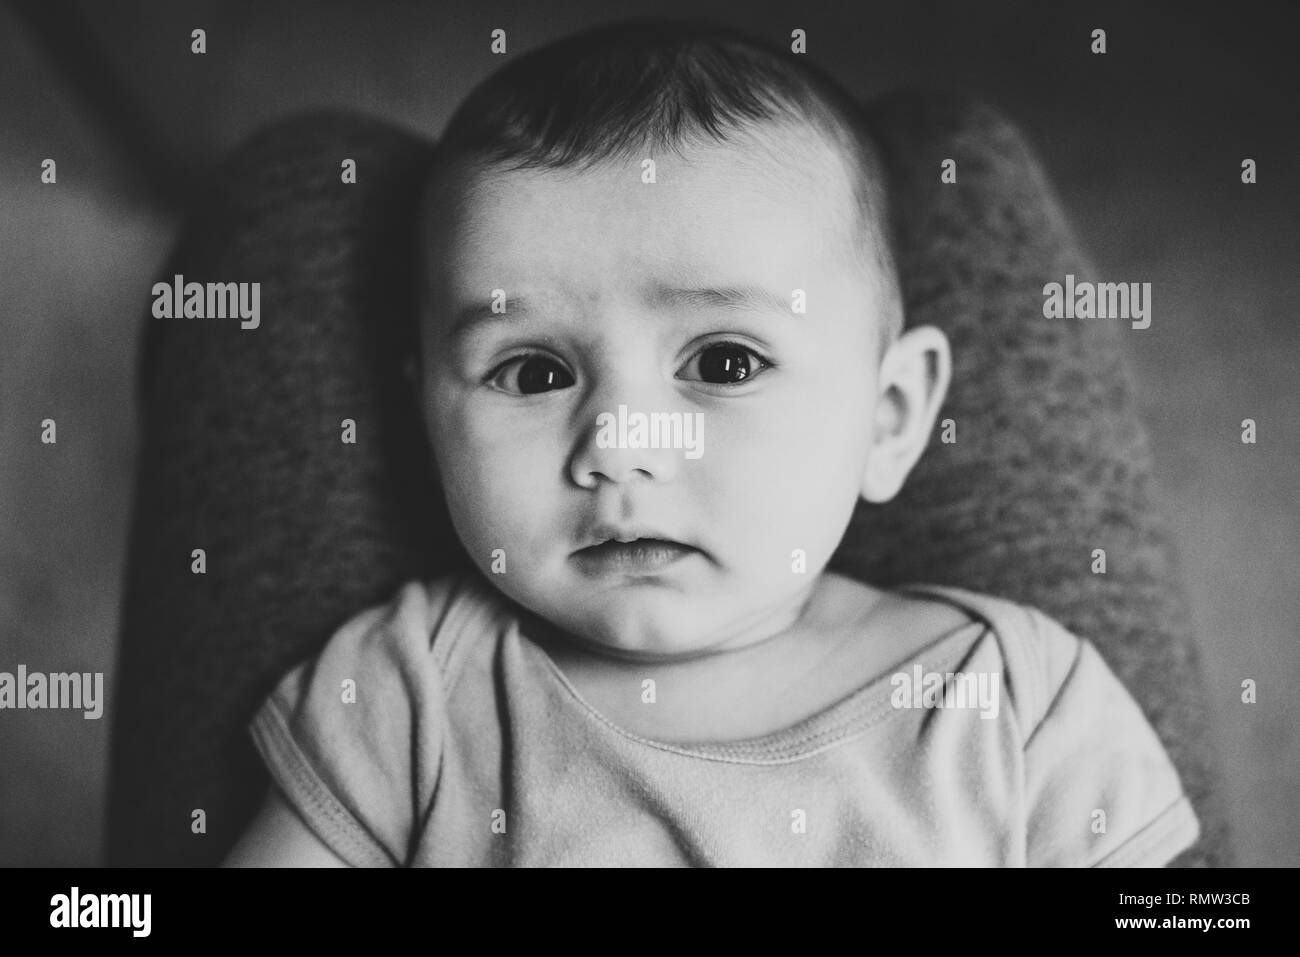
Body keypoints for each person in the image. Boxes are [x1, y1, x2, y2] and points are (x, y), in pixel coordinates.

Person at [223, 19, 1198, 867]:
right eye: (530, 372)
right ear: (424, 420)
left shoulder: (1022, 700)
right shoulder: (412, 692)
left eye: (724, 363)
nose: (620, 446)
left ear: (891, 417)